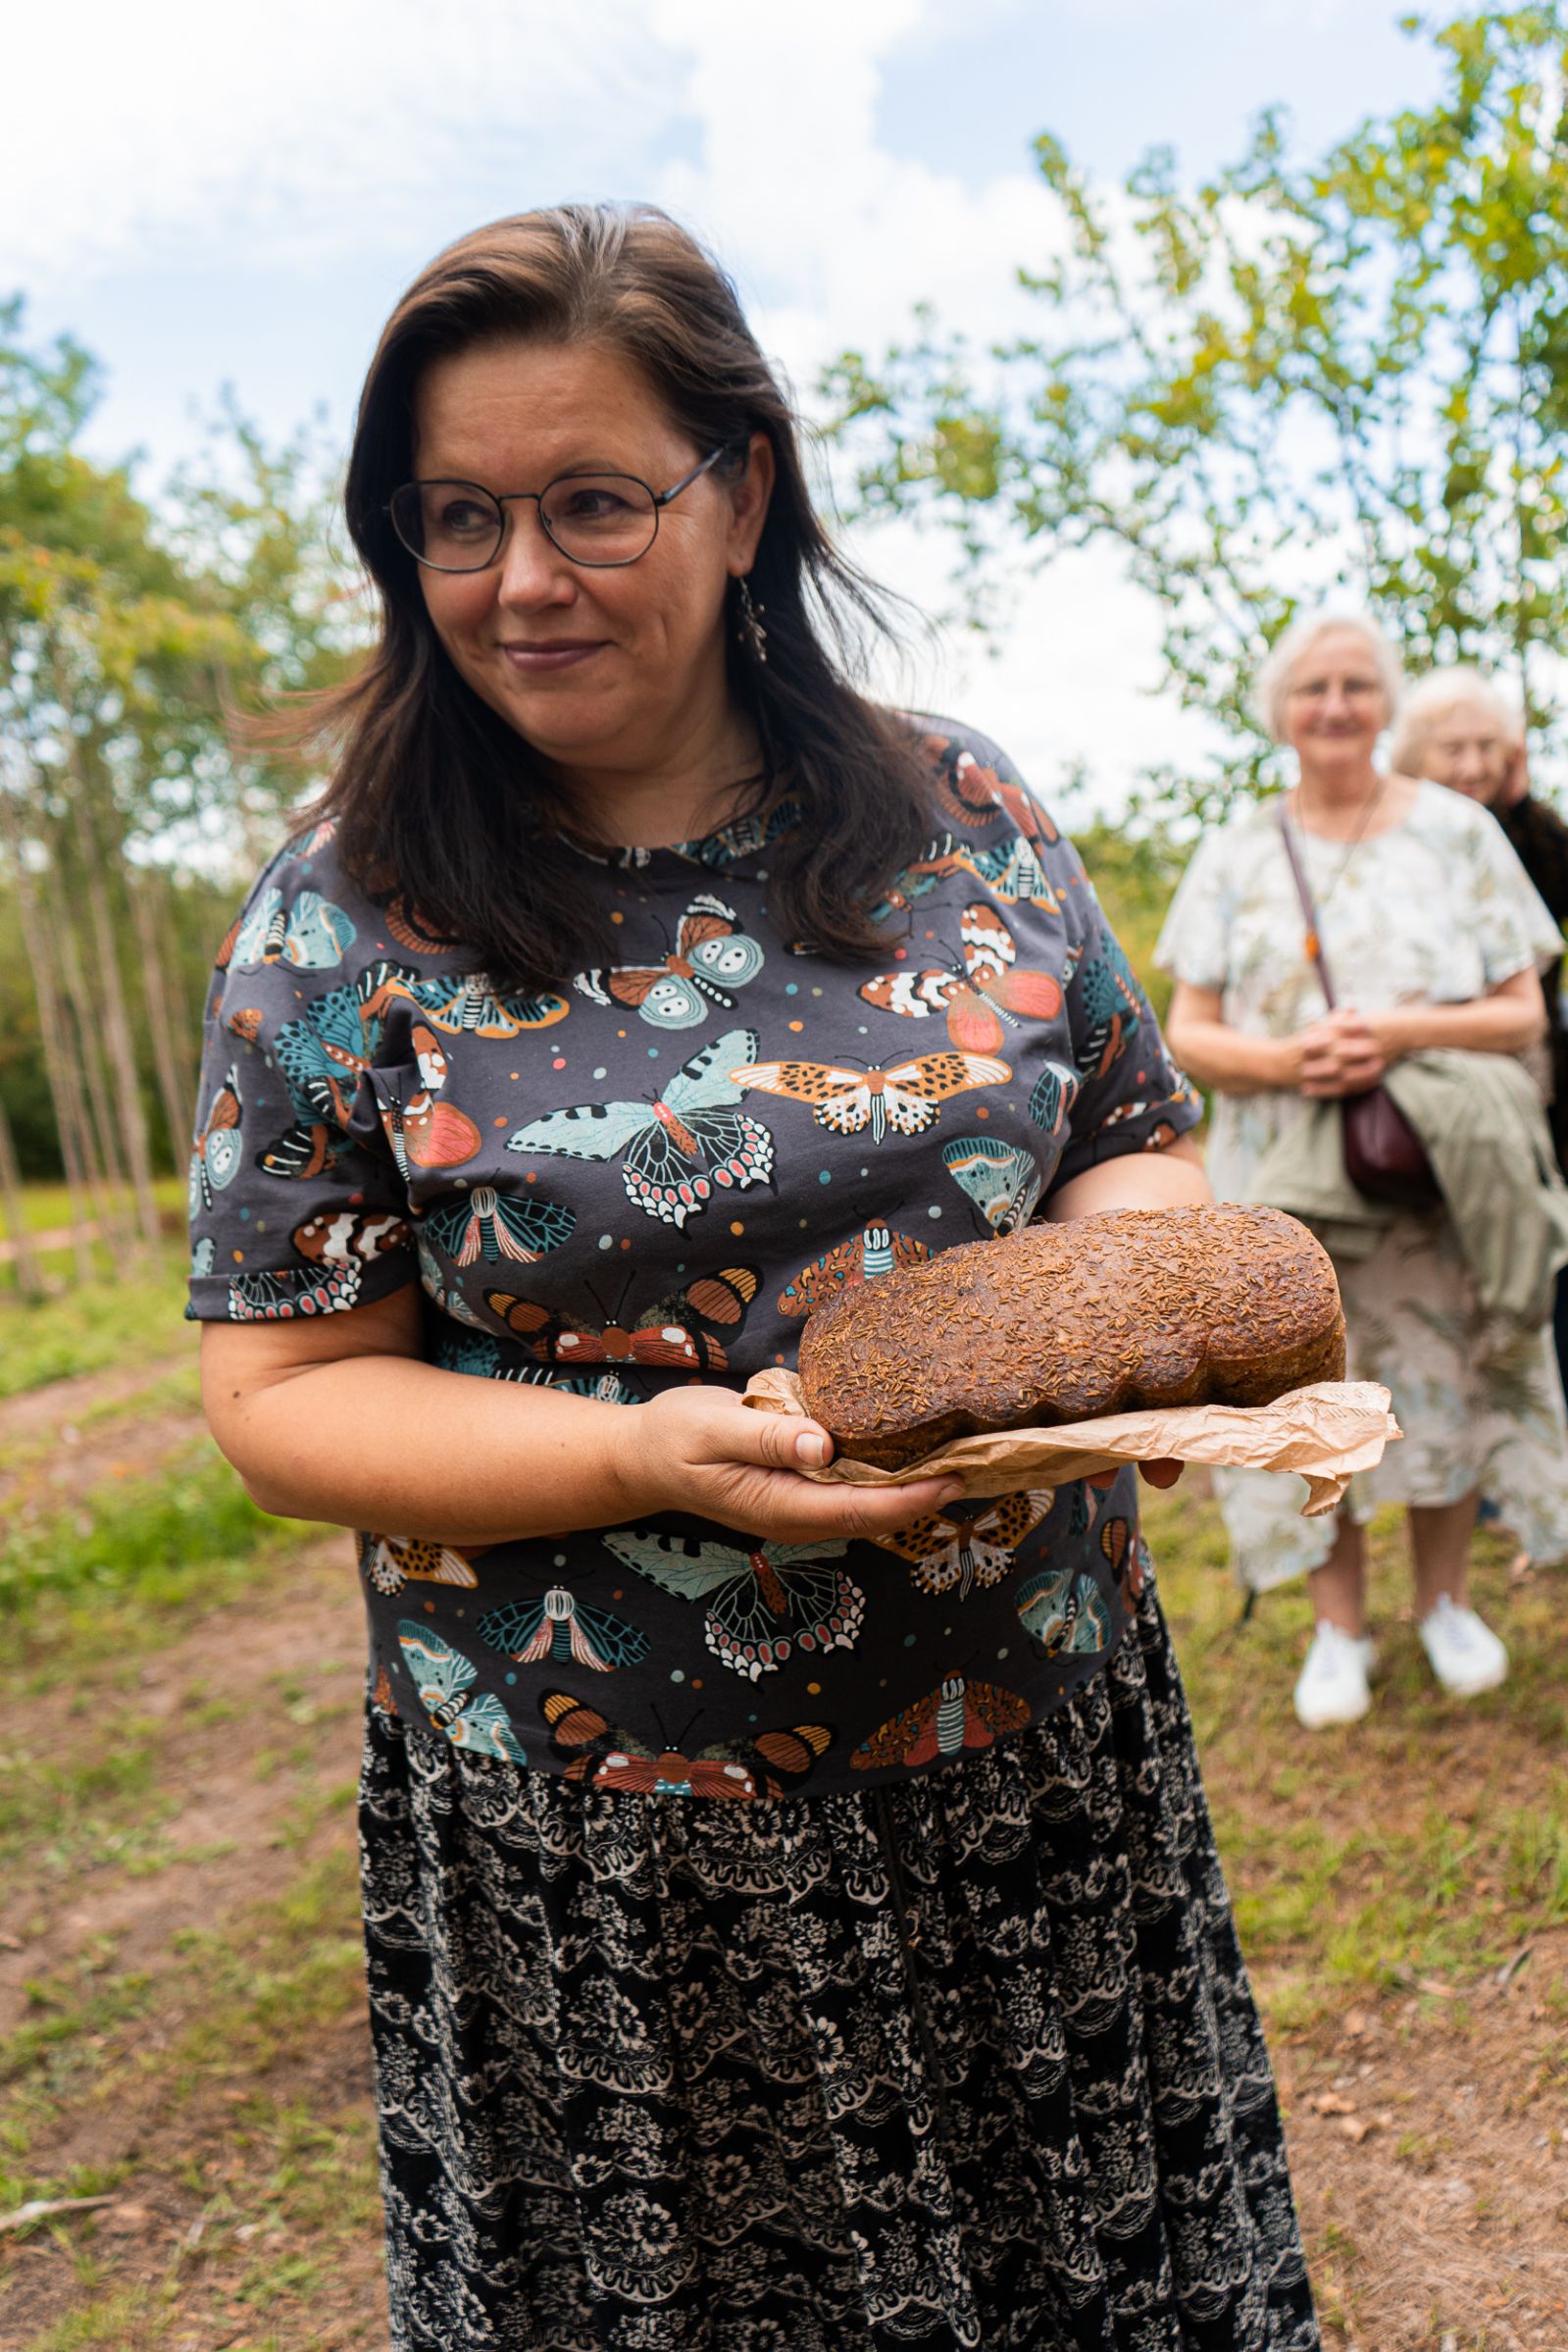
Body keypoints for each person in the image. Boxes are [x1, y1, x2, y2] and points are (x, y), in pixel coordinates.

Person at [188, 203, 1321, 2351]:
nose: (520, 576)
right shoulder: (342, 920)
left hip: (1029, 1768)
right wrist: (656, 1461)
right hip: (605, 1864)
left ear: (742, 493)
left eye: (592, 499)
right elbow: (282, 1396)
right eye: (456, 517)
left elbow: (1123, 1139)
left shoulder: (958, 811)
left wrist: (1116, 1331)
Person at [1158, 611, 1568, 1732]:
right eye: (1312, 687)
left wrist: (1392, 1029)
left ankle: (1445, 1602)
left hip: (1436, 1179)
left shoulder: (1454, 833)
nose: (1335, 706)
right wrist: (1293, 1057)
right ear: (1280, 709)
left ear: (1388, 704)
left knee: (1449, 1379)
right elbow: (1190, 1029)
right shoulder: (1239, 848)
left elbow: (1523, 1006)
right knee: (1310, 1397)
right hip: (1289, 1174)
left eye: (1356, 684)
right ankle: (1340, 1624)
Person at [1391, 667, 1568, 1383]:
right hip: (1421, 1091)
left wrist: (1519, 796)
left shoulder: (1518, 831)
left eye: (1486, 747)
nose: (1470, 766)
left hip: (1531, 1087)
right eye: (1451, 748)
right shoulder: (1394, 840)